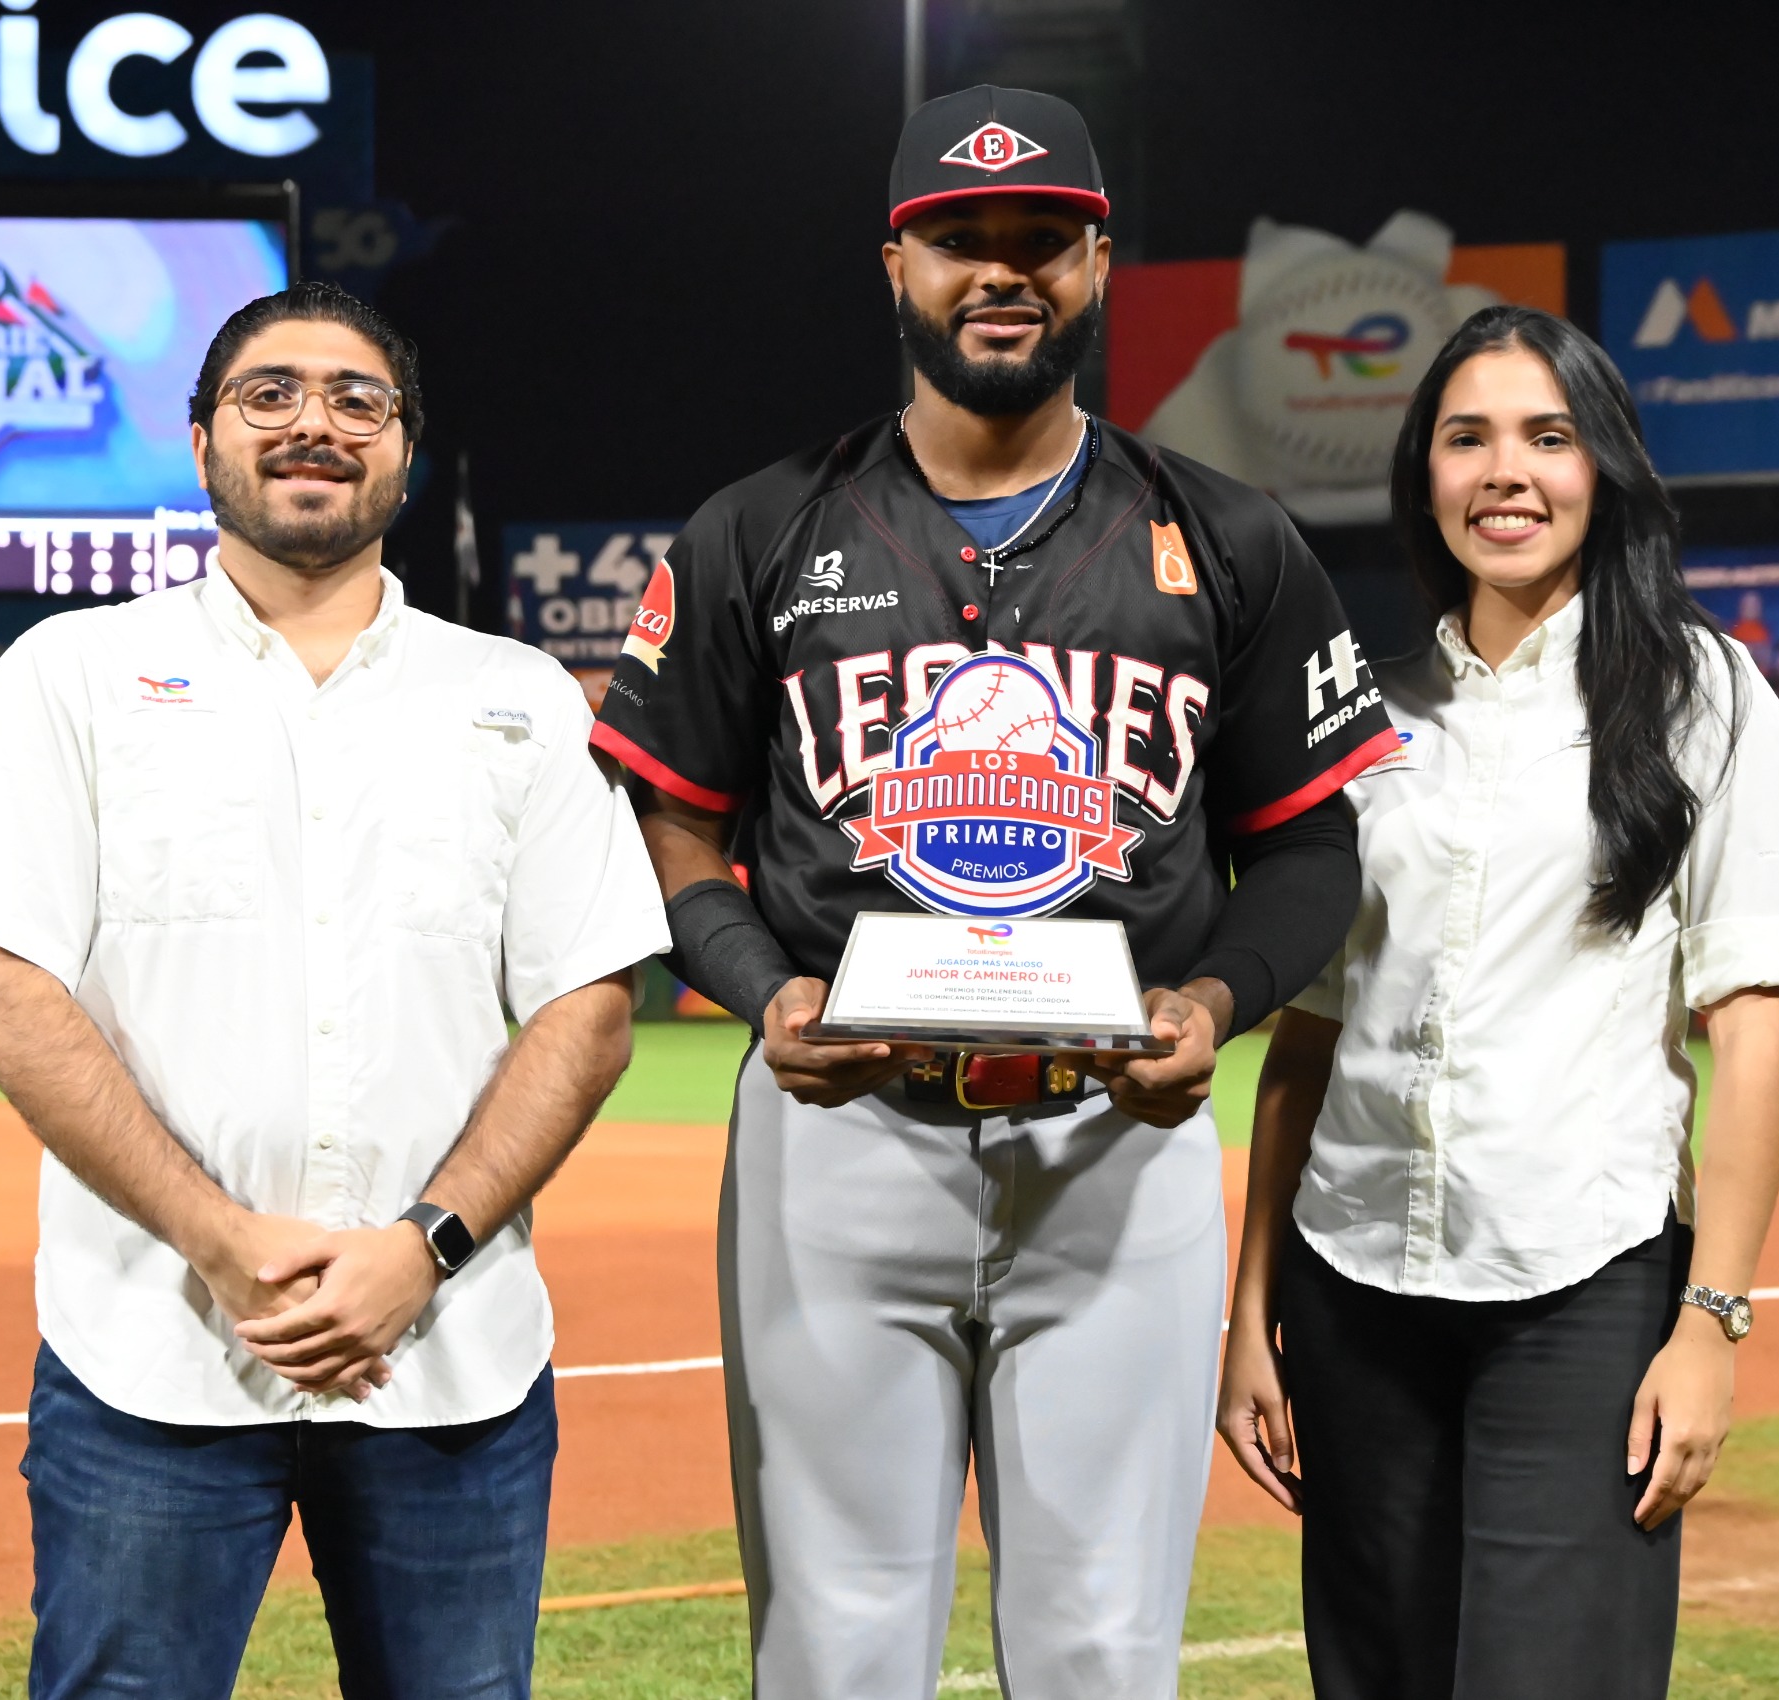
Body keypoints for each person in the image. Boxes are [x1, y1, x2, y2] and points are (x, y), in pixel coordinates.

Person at [590, 85, 1392, 1697]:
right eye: (961, 239)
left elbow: (1312, 847)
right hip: (839, 1136)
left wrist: (1215, 1002)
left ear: (1099, 263)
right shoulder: (762, 529)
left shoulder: (1227, 535)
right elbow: (672, 821)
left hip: (1119, 1144)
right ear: (897, 266)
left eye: (1044, 239)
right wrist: (763, 990)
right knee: (833, 1650)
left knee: (1103, 1654)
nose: (1002, 271)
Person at [0, 281, 668, 1700]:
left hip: (449, 1362)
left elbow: (588, 1006)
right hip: (151, 1353)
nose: (312, 422)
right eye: (268, 394)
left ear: (405, 449)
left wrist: (423, 1249)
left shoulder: (517, 695)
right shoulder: (71, 676)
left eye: (355, 399)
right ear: (202, 436)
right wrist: (221, 1240)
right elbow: (5, 991)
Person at [1217, 304, 1779, 1699]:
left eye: (1548, 437)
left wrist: (1710, 1322)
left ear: (1603, 465)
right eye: (1467, 438)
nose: (1507, 472)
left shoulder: (1706, 698)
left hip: (1582, 1282)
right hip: (1353, 1284)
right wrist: (1252, 1312)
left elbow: (1754, 1023)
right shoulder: (1365, 720)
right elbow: (1312, 1037)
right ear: (1423, 474)